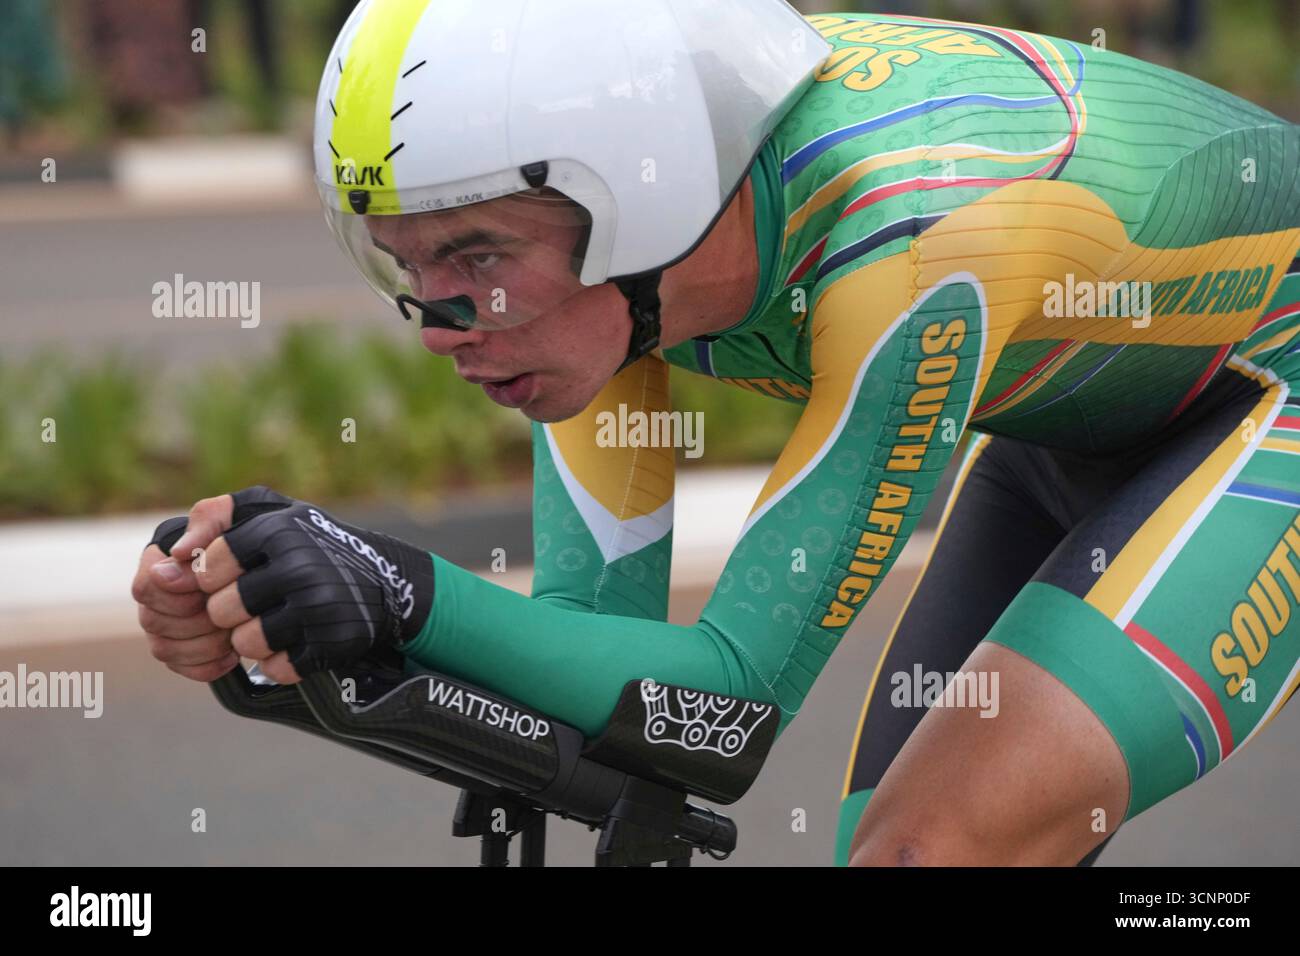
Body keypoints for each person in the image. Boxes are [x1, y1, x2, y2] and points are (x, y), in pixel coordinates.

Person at [133, 0, 1300, 867]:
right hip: (1077, 418)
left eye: (477, 256)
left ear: (630, 202)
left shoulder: (904, 243)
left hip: (1267, 401)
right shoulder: (630, 257)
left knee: (931, 850)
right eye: (408, 264)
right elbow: (597, 690)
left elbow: (723, 712)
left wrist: (401, 585)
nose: (439, 322)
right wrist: (286, 628)